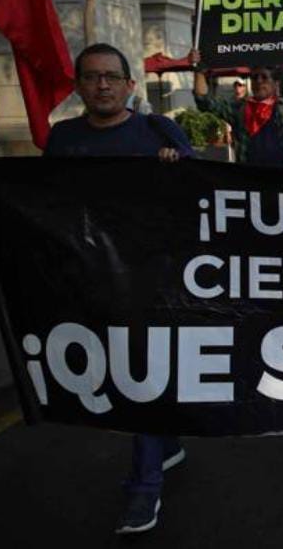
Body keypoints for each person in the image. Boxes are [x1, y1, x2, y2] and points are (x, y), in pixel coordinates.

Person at [43, 43, 194, 535]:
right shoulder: (63, 139)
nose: (102, 84)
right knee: (117, 370)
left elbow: (201, 190)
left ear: (130, 85)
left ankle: (144, 486)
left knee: (137, 372)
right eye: (91, 77)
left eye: (111, 76)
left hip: (151, 278)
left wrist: (177, 165)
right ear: (78, 86)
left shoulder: (158, 131)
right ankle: (166, 444)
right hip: (90, 277)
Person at [190, 47, 283, 167]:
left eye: (264, 77)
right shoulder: (239, 109)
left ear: (275, 84)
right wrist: (199, 70)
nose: (259, 81)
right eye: (254, 77)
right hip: (251, 182)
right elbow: (204, 101)